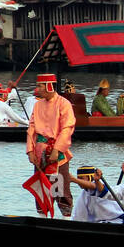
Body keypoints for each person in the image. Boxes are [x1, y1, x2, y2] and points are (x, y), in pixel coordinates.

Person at [26, 73, 76, 216]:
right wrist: (30, 151)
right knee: (41, 185)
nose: (37, 89)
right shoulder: (37, 105)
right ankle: (42, 216)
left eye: (39, 86)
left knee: (59, 186)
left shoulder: (63, 103)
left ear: (49, 86)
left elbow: (67, 128)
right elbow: (31, 128)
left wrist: (57, 149)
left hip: (57, 152)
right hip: (40, 152)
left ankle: (66, 219)